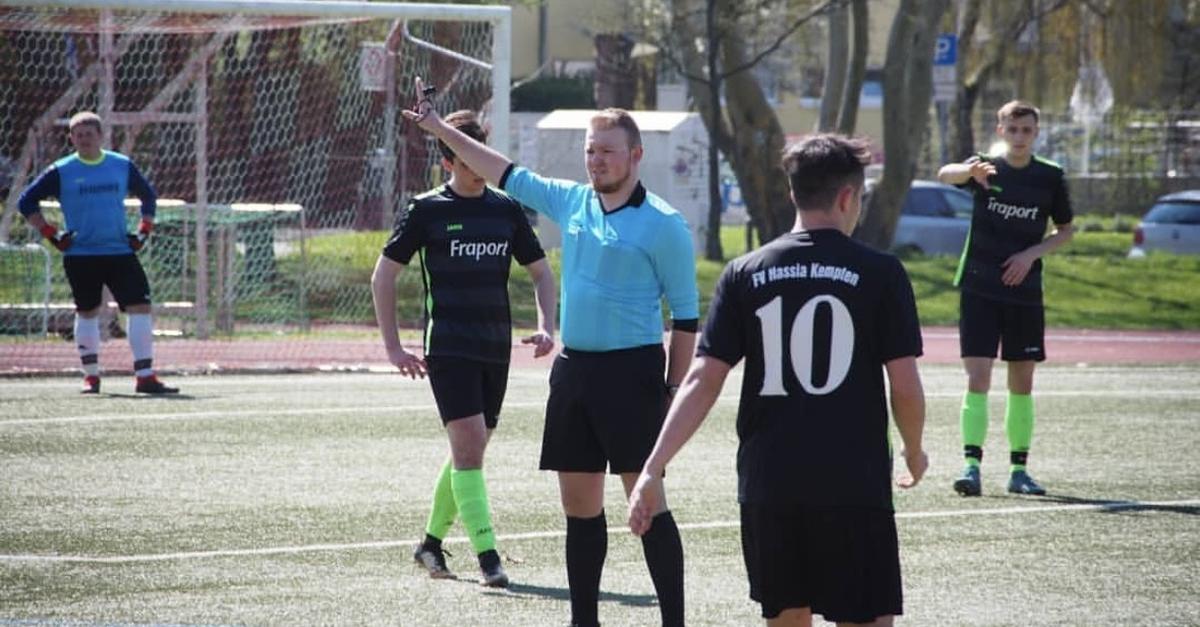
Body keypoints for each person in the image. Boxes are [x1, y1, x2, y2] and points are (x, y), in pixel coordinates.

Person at [403, 79, 699, 627]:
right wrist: (439, 128)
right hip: (574, 375)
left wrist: (671, 390)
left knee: (648, 506)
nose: (597, 160)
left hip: (633, 376)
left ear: (636, 155)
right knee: (579, 511)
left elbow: (686, 318)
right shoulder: (572, 201)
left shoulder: (664, 224)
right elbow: (503, 171)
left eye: (608, 150)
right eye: (590, 150)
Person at [629, 134, 928, 627]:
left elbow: (702, 379)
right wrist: (914, 450)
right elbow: (905, 386)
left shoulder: (744, 271)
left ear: (793, 193)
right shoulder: (881, 273)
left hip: (770, 485)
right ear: (847, 197)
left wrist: (652, 468)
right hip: (853, 483)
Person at [371, 110, 558, 588]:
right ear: (448, 160)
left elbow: (541, 272)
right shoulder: (426, 210)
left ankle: (430, 544)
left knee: (469, 450)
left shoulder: (506, 209)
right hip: (449, 347)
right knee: (471, 447)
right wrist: (393, 348)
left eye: (483, 155)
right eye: (467, 157)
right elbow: (384, 275)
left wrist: (546, 326)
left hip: (495, 348)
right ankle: (488, 557)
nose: (478, 165)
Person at [937, 100, 1074, 497]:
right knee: (978, 378)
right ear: (1001, 131)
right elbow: (945, 174)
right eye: (1012, 130)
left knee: (1022, 382)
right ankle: (971, 467)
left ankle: (1019, 471)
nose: (1019, 137)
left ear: (1036, 133)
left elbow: (1065, 230)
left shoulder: (1050, 176)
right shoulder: (985, 167)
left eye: (1026, 130)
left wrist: (1030, 255)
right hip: (979, 288)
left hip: (1024, 293)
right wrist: (969, 171)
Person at [17, 111, 178, 395]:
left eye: (89, 134)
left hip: (120, 252)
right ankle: (91, 376)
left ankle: (145, 376)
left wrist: (143, 231)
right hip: (81, 255)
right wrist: (51, 233)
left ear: (100, 136)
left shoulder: (121, 165)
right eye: (78, 135)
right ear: (71, 139)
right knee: (87, 311)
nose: (84, 139)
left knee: (140, 307)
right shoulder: (61, 170)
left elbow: (148, 196)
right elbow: (26, 201)